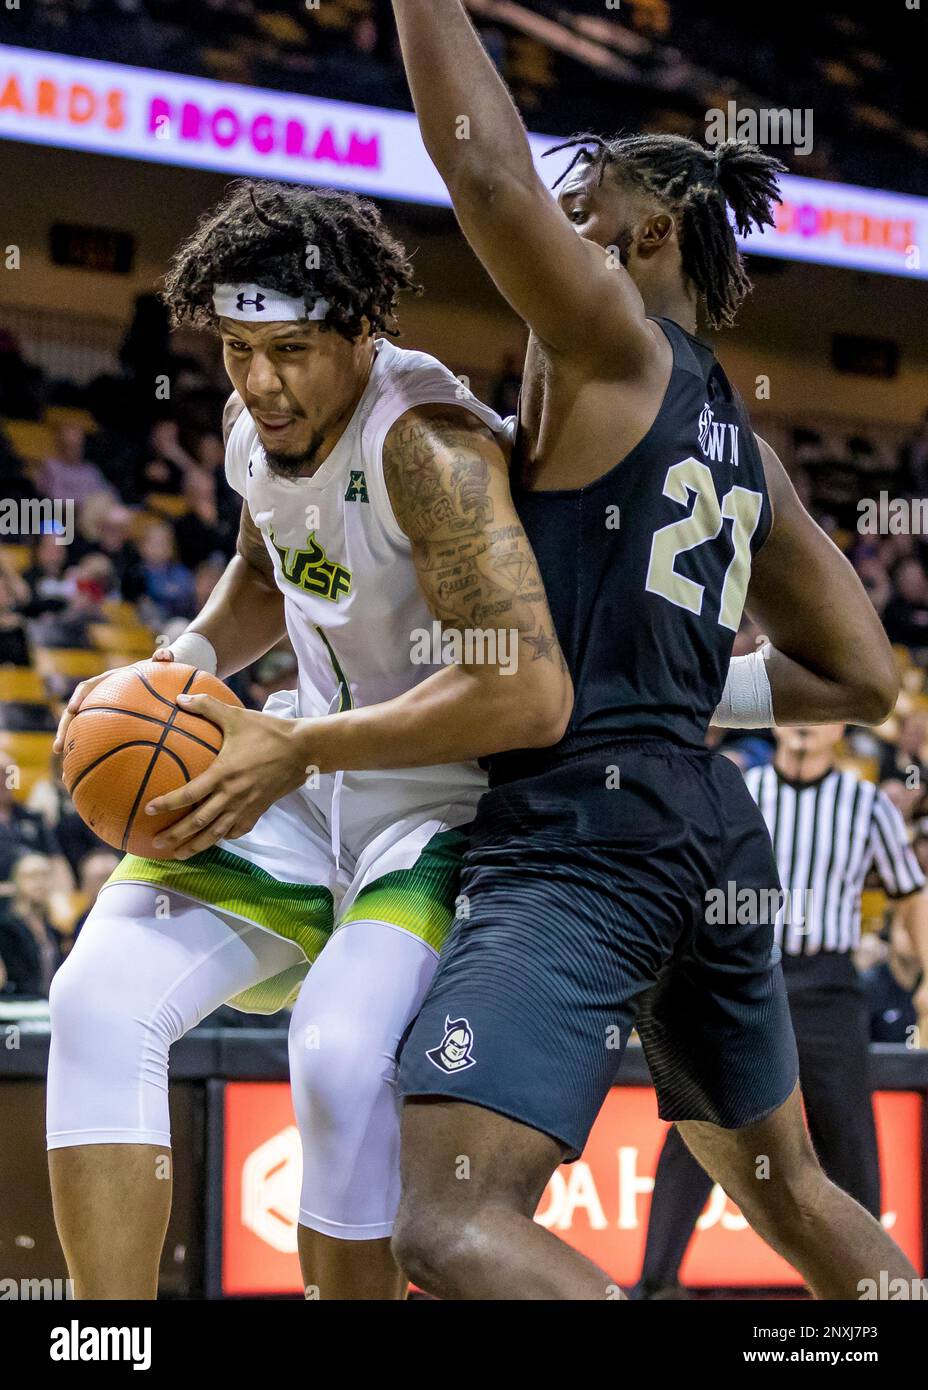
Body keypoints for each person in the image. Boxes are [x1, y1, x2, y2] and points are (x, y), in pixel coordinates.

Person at [384, 0, 917, 1301]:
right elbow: (867, 678)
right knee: (792, 1188)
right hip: (703, 817)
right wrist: (687, 682)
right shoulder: (748, 445)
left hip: (584, 828)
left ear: (651, 230)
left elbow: (483, 167)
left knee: (449, 1222)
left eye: (584, 209)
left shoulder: (607, 343)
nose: (555, 231)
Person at [46, 179, 571, 1302]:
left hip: (440, 807)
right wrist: (184, 658)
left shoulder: (427, 446)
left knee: (335, 1059)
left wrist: (302, 748)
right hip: (303, 768)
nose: (260, 382)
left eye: (289, 350)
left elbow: (527, 693)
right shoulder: (252, 423)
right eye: (237, 348)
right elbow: (260, 564)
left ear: (361, 331)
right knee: (95, 999)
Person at [635, 723, 928, 1299]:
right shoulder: (742, 788)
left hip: (827, 985)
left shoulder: (866, 802)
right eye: (792, 709)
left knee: (849, 1144)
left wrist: (923, 978)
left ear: (840, 725)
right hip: (737, 977)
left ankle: (860, 1293)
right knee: (696, 1130)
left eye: (819, 713)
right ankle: (656, 1284)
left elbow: (910, 890)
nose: (804, 722)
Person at [0, 854, 65, 999]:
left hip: (46, 1007)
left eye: (45, 876)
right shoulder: (6, 928)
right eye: (31, 876)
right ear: (16, 881)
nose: (40, 882)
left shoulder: (54, 931)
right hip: (18, 1007)